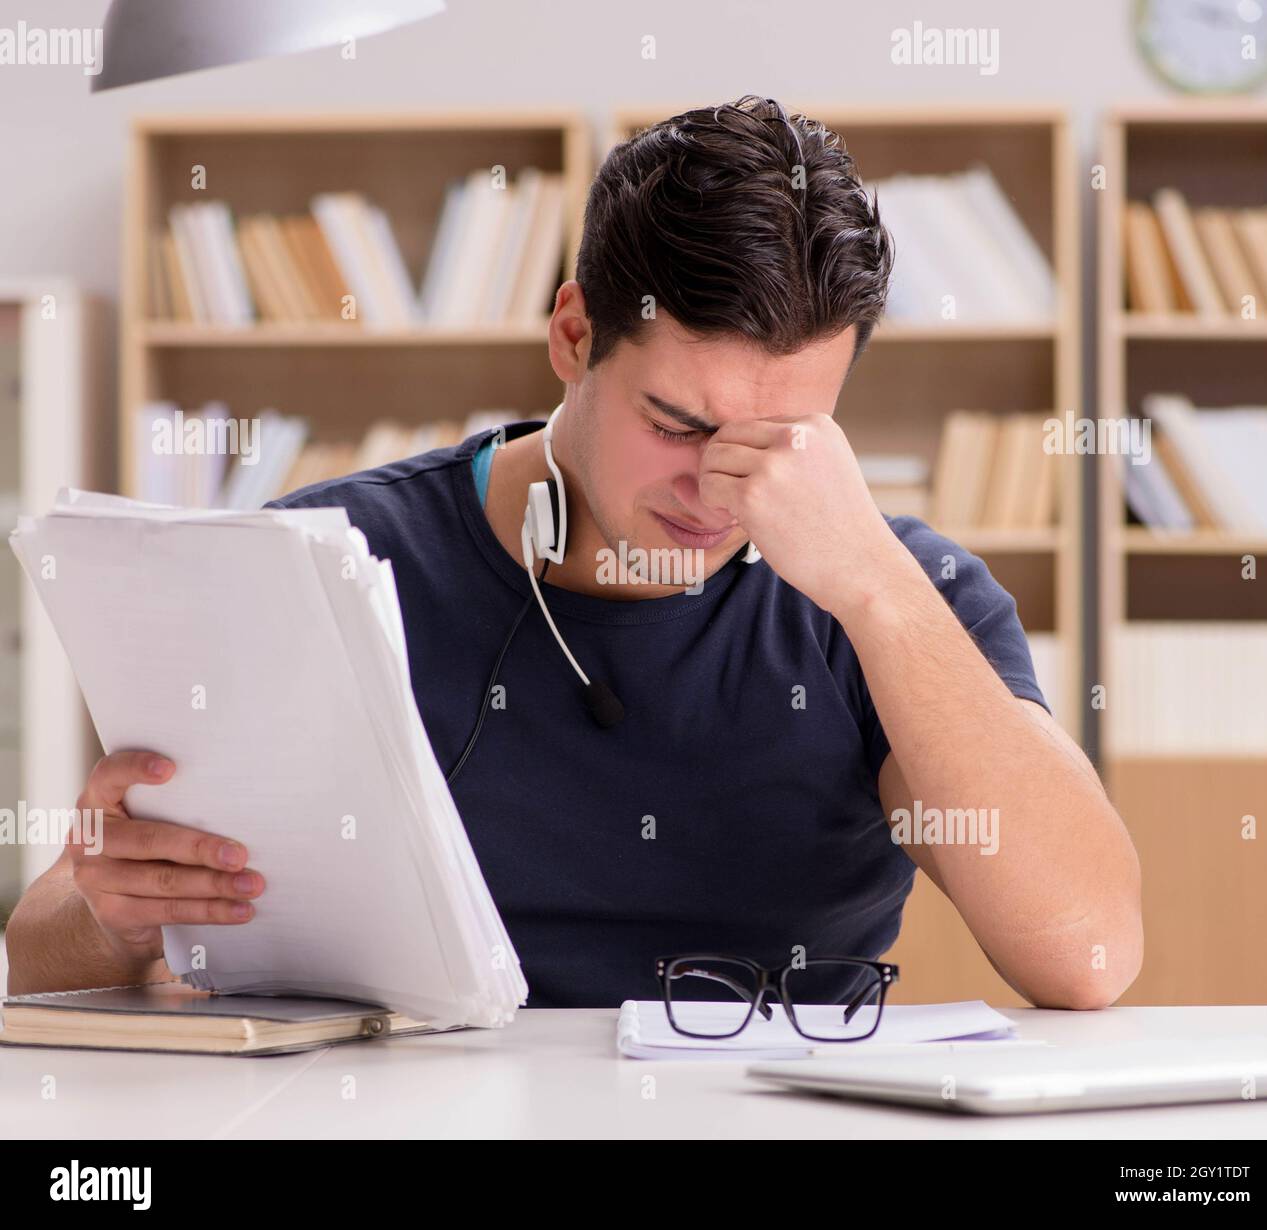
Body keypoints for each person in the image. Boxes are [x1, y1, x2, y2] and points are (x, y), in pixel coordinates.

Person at [5, 97, 1141, 1009]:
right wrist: (114, 914)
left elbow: (1086, 958)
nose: (717, 491)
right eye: (679, 427)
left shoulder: (901, 597)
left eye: (782, 438)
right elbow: (41, 956)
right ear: (571, 334)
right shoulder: (312, 561)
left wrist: (877, 594)